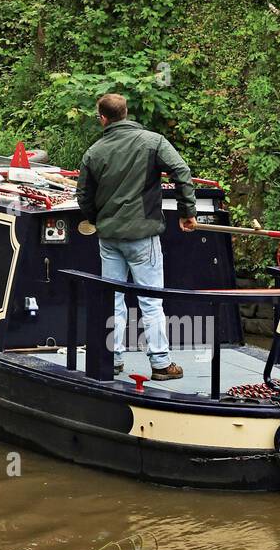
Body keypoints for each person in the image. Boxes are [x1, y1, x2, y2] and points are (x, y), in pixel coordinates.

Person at [76, 93, 197, 381]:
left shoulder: (94, 151)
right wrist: (186, 211)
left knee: (113, 299)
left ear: (102, 118)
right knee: (151, 300)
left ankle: (113, 359)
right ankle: (161, 364)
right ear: (126, 113)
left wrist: (97, 219)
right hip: (143, 235)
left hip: (109, 237)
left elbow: (83, 195)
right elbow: (181, 170)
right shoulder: (153, 142)